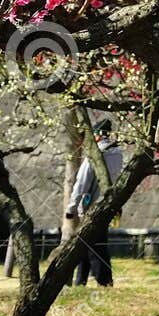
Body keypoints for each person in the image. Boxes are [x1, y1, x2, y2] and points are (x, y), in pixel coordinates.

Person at [65, 118, 123, 286]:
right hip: (109, 204)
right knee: (86, 243)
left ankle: (105, 281)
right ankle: (80, 280)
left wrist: (72, 207)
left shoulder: (95, 154)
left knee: (95, 246)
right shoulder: (118, 153)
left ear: (96, 135)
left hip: (92, 206)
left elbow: (81, 183)